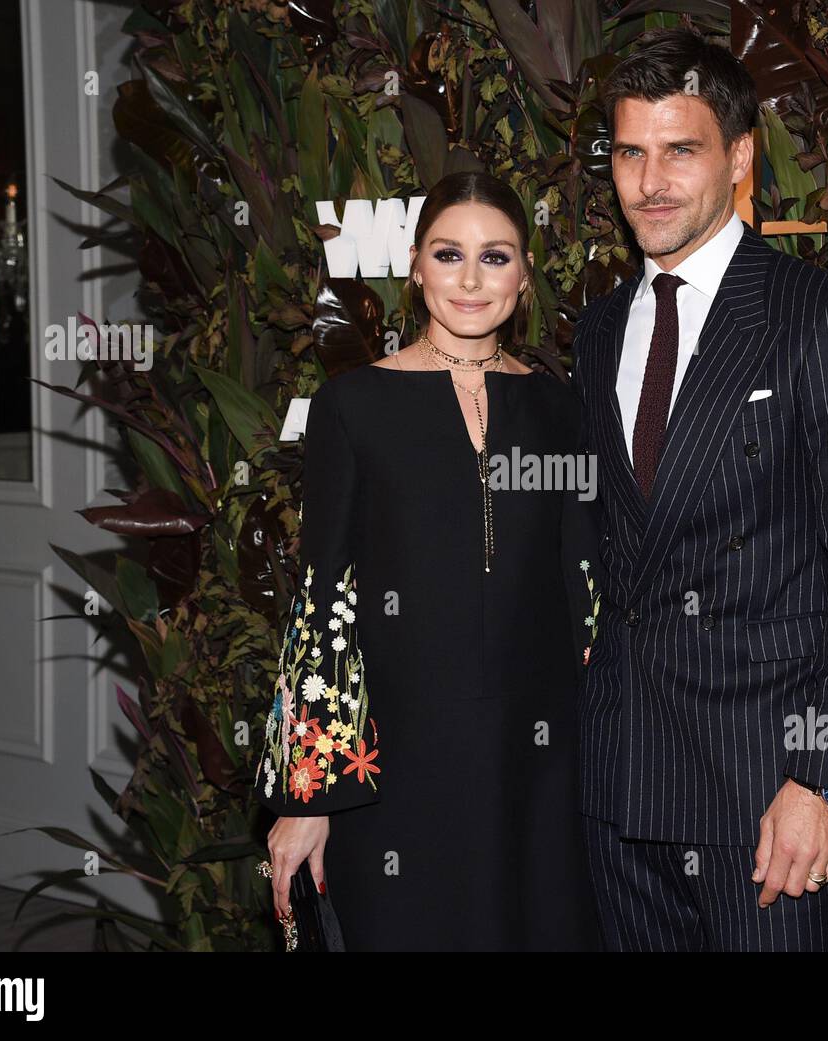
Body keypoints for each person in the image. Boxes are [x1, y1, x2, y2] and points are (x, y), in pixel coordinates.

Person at [571, 28, 828, 951]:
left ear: (740, 157)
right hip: (618, 789)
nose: (651, 183)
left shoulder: (823, 315)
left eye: (680, 150)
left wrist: (826, 778)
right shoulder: (598, 332)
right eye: (630, 153)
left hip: (770, 796)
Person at [255, 171, 601, 951]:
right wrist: (310, 793)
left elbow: (586, 591)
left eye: (497, 256)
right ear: (415, 267)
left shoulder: (559, 409)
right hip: (397, 764)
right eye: (450, 255)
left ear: (524, 275)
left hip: (537, 763)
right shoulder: (354, 404)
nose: (472, 279)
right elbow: (324, 598)